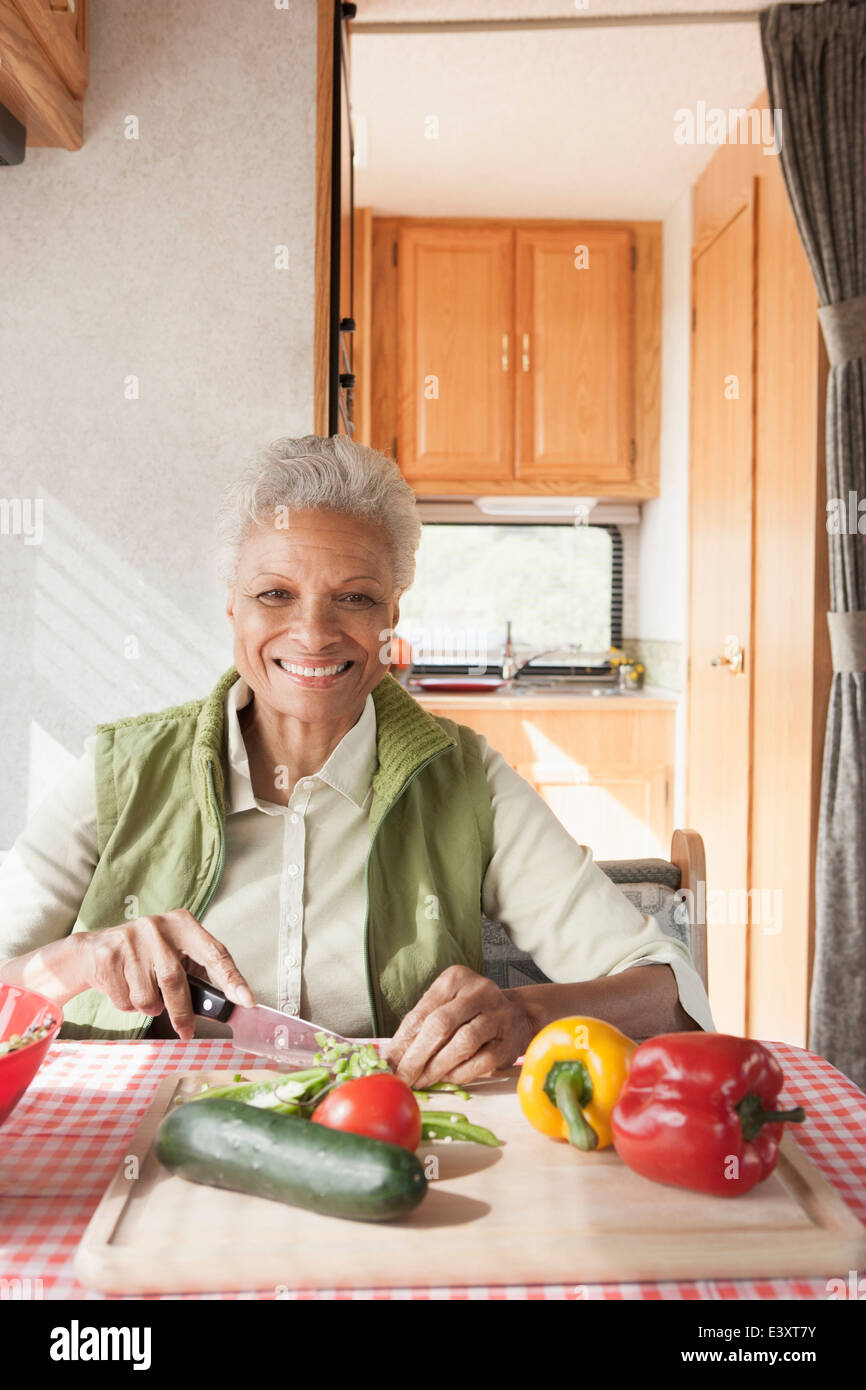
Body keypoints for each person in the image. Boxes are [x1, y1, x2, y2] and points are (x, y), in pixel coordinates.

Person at [0, 435, 714, 1086]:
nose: (312, 633)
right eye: (274, 593)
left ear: (392, 616)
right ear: (231, 609)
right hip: (133, 1151)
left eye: (355, 598)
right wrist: (75, 960)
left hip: (382, 1146)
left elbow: (672, 999)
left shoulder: (467, 782)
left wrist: (526, 1015)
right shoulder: (117, 770)